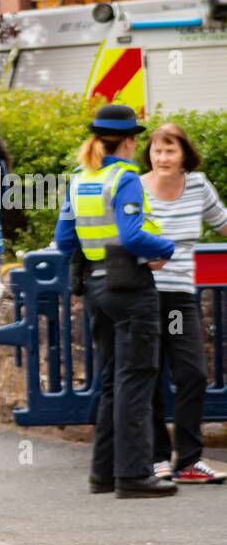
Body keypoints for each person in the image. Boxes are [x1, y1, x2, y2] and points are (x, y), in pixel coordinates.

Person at [56, 104, 178, 499]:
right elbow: (130, 235)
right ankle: (134, 475)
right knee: (137, 379)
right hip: (131, 289)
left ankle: (103, 473)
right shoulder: (124, 177)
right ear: (128, 141)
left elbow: (63, 241)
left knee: (111, 380)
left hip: (97, 289)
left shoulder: (80, 178)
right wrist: (167, 247)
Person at [140, 123, 227, 484]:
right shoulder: (137, 186)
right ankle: (159, 458)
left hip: (178, 301)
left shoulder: (197, 185)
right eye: (157, 150)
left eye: (170, 150)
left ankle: (189, 460)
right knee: (152, 375)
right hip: (143, 297)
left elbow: (223, 223)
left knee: (191, 373)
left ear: (183, 155)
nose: (162, 157)